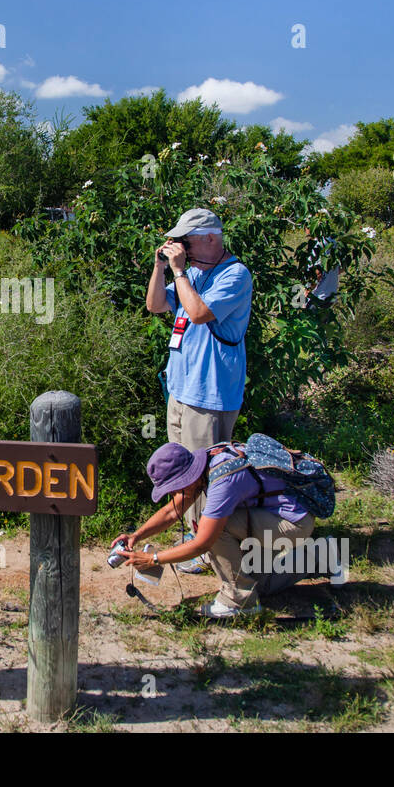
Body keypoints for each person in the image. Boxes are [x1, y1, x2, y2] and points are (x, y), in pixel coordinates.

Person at [145, 208, 253, 571]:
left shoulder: (235, 275)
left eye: (187, 241)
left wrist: (178, 272)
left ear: (210, 237)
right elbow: (156, 305)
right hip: (181, 390)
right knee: (184, 475)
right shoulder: (190, 273)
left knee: (207, 478)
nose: (182, 248)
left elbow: (200, 313)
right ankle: (193, 540)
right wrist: (161, 269)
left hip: (210, 394)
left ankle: (211, 549)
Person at [112, 441, 316, 618]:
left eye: (173, 487)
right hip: (275, 514)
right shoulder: (207, 462)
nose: (173, 493)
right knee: (259, 584)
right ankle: (313, 558)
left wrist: (152, 559)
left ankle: (238, 601)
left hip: (292, 523)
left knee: (215, 527)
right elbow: (171, 512)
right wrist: (136, 535)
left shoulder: (223, 481)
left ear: (185, 477)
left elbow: (203, 542)